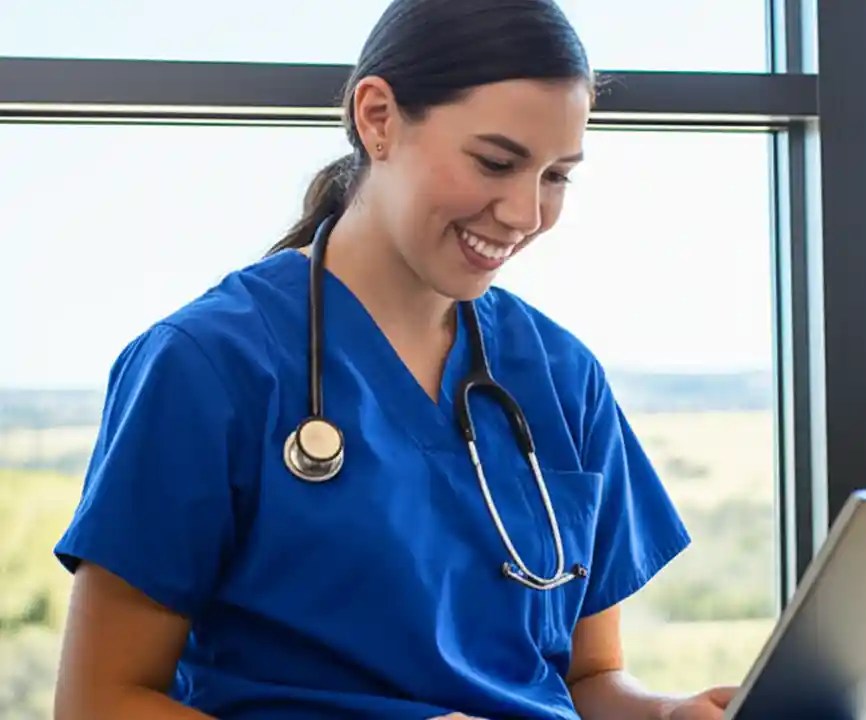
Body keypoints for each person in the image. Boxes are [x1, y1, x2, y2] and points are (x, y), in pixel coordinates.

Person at [51, 1, 737, 718]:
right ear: (377, 117)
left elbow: (589, 678)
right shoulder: (206, 367)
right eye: (496, 162)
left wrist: (666, 714)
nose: (525, 214)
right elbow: (100, 702)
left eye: (557, 176)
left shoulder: (563, 378)